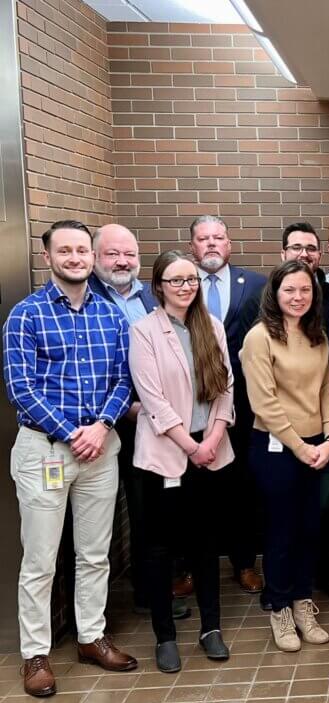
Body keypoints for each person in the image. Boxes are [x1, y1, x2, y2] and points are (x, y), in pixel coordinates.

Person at [3, 219, 137, 697]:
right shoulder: (26, 315)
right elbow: (21, 388)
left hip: (100, 450)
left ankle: (90, 637)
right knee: (40, 559)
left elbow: (125, 378)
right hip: (46, 451)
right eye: (65, 251)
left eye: (82, 250)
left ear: (93, 256)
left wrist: (101, 426)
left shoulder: (110, 314)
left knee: (94, 553)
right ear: (48, 257)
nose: (75, 258)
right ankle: (35, 654)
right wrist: (71, 433)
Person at [129, 250, 234, 672]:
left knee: (206, 544)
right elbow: (152, 399)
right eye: (176, 280)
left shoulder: (212, 326)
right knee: (159, 548)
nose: (186, 286)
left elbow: (226, 388)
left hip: (211, 450)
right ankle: (165, 636)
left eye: (191, 279)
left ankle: (211, 628)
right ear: (158, 286)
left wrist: (213, 438)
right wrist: (191, 447)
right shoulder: (144, 331)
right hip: (166, 455)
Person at [241, 260, 329, 652]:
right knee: (281, 533)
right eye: (290, 290)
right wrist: (302, 447)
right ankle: (279, 608)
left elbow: (328, 389)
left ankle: (302, 603)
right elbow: (264, 403)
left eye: (305, 290)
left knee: (309, 530)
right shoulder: (259, 338)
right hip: (276, 448)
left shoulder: (318, 335)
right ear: (275, 294)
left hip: (317, 447)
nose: (298, 297)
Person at [189, 215, 267, 596]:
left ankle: (244, 563)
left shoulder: (255, 284)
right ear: (192, 246)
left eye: (218, 237)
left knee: (241, 487)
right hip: (191, 406)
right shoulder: (180, 284)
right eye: (203, 238)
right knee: (192, 492)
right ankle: (191, 568)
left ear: (229, 244)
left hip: (245, 404)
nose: (211, 244)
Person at [276, 222, 329, 603]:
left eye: (310, 248)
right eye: (296, 248)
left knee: (326, 504)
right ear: (283, 254)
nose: (303, 254)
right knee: (287, 507)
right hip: (282, 426)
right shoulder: (269, 300)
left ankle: (327, 569)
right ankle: (286, 580)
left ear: (320, 255)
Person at [88, 224, 160, 616]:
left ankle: (150, 592)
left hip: (150, 420)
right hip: (103, 423)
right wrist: (124, 406)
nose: (122, 261)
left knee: (146, 509)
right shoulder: (87, 297)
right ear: (95, 257)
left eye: (129, 254)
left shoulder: (150, 296)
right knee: (95, 521)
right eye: (112, 254)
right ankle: (93, 616)